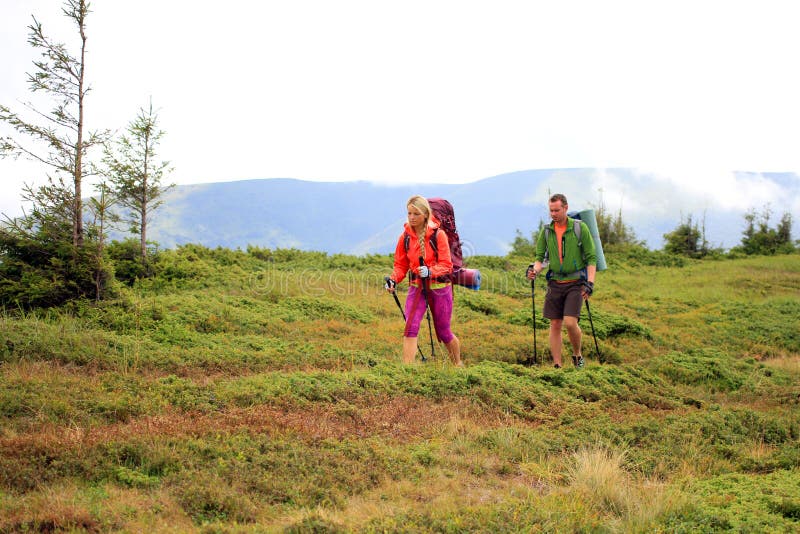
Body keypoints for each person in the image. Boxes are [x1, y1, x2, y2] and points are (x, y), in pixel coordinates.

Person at [385, 195, 463, 366]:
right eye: (409, 213)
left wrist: (430, 271)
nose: (412, 218)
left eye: (416, 214)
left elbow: (446, 265)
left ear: (426, 215)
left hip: (440, 288)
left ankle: (457, 364)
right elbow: (400, 265)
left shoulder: (438, 235)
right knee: (410, 327)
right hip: (417, 287)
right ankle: (407, 370)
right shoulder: (404, 237)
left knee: (443, 332)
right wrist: (393, 280)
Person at [526, 193, 597, 368]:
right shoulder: (547, 230)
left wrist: (590, 283)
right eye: (551, 210)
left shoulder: (580, 228)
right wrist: (534, 270)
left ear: (566, 208)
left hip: (575, 283)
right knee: (555, 323)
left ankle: (577, 355)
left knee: (571, 322)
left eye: (557, 210)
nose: (553, 214)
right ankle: (557, 365)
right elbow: (540, 258)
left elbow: (591, 258)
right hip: (554, 282)